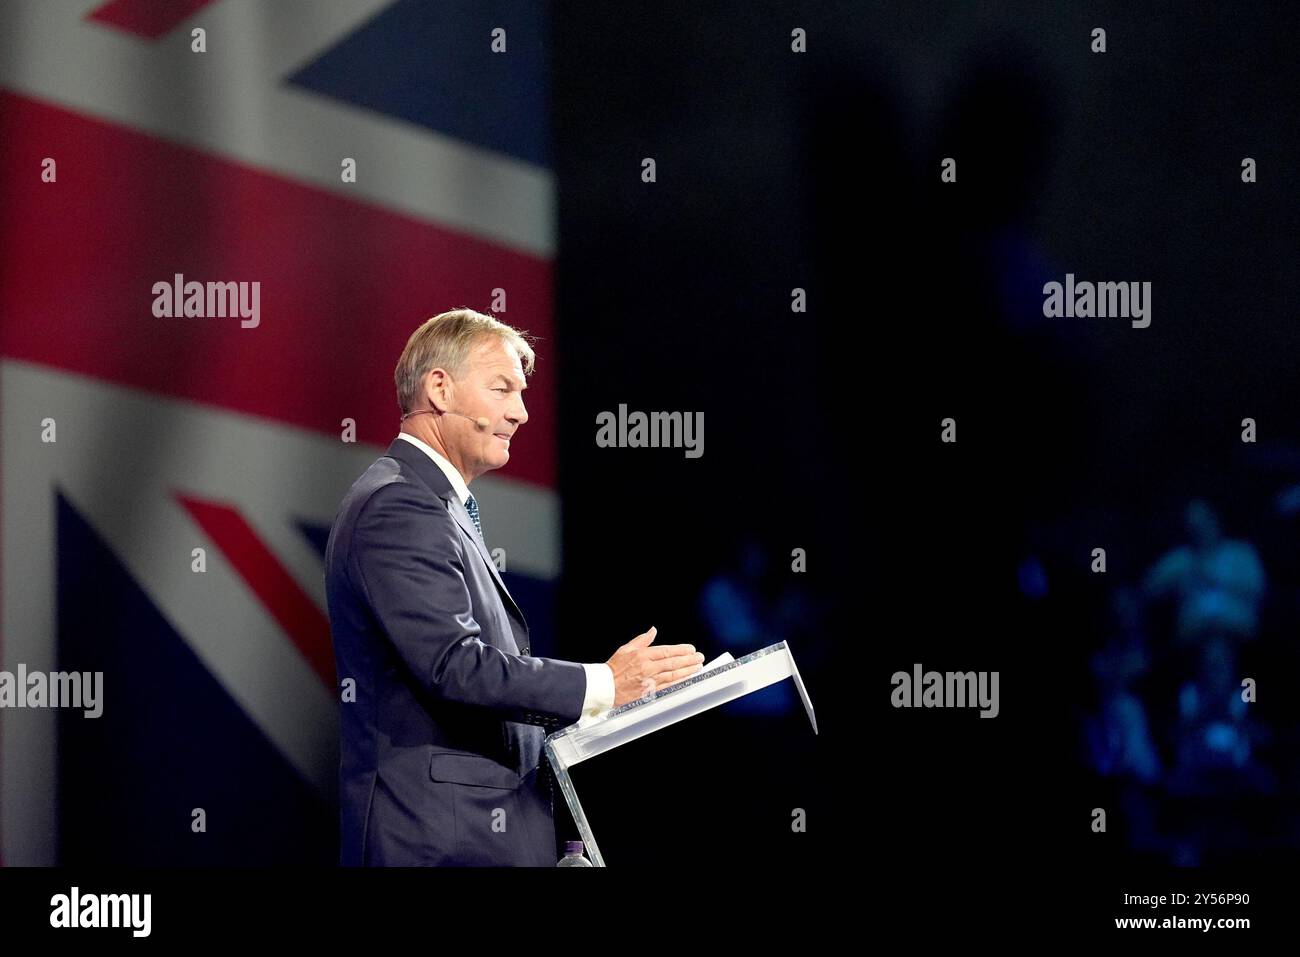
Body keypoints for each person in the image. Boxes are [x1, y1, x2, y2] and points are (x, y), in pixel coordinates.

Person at [325, 308, 704, 865]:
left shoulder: (431, 503)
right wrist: (602, 684)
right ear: (439, 388)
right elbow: (453, 666)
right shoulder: (399, 503)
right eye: (502, 388)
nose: (521, 413)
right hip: (436, 844)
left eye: (521, 394)